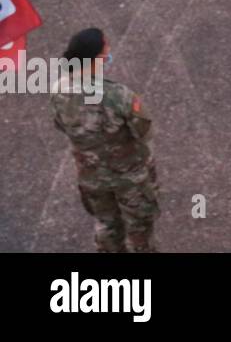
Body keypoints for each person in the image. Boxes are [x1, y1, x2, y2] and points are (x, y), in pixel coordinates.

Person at [50, 28, 160, 253]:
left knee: (107, 225)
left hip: (91, 177)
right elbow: (144, 131)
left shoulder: (59, 90)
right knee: (139, 231)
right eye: (106, 51)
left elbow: (61, 125)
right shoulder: (119, 95)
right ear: (96, 59)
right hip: (130, 179)